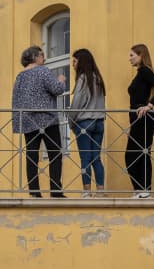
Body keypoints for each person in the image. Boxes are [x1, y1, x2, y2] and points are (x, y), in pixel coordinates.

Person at [11, 45, 67, 198]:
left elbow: (16, 100)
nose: (44, 58)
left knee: (32, 154)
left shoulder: (20, 76)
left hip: (28, 120)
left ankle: (34, 192)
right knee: (55, 154)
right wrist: (61, 81)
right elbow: (57, 89)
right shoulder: (42, 71)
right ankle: (55, 191)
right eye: (42, 55)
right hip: (47, 118)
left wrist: (18, 121)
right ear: (35, 57)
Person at [125, 44, 154, 198]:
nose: (129, 58)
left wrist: (149, 105)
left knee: (140, 154)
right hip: (137, 120)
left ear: (140, 55)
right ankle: (140, 190)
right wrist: (131, 125)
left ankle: (144, 190)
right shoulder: (141, 73)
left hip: (144, 118)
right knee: (134, 155)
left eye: (131, 55)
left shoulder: (144, 71)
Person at [68, 49, 107, 198]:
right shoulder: (98, 78)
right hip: (99, 122)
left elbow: (76, 103)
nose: (73, 64)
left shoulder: (83, 79)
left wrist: (71, 122)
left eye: (75, 61)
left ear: (81, 62)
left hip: (84, 123)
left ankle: (86, 191)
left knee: (85, 157)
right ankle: (101, 191)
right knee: (96, 157)